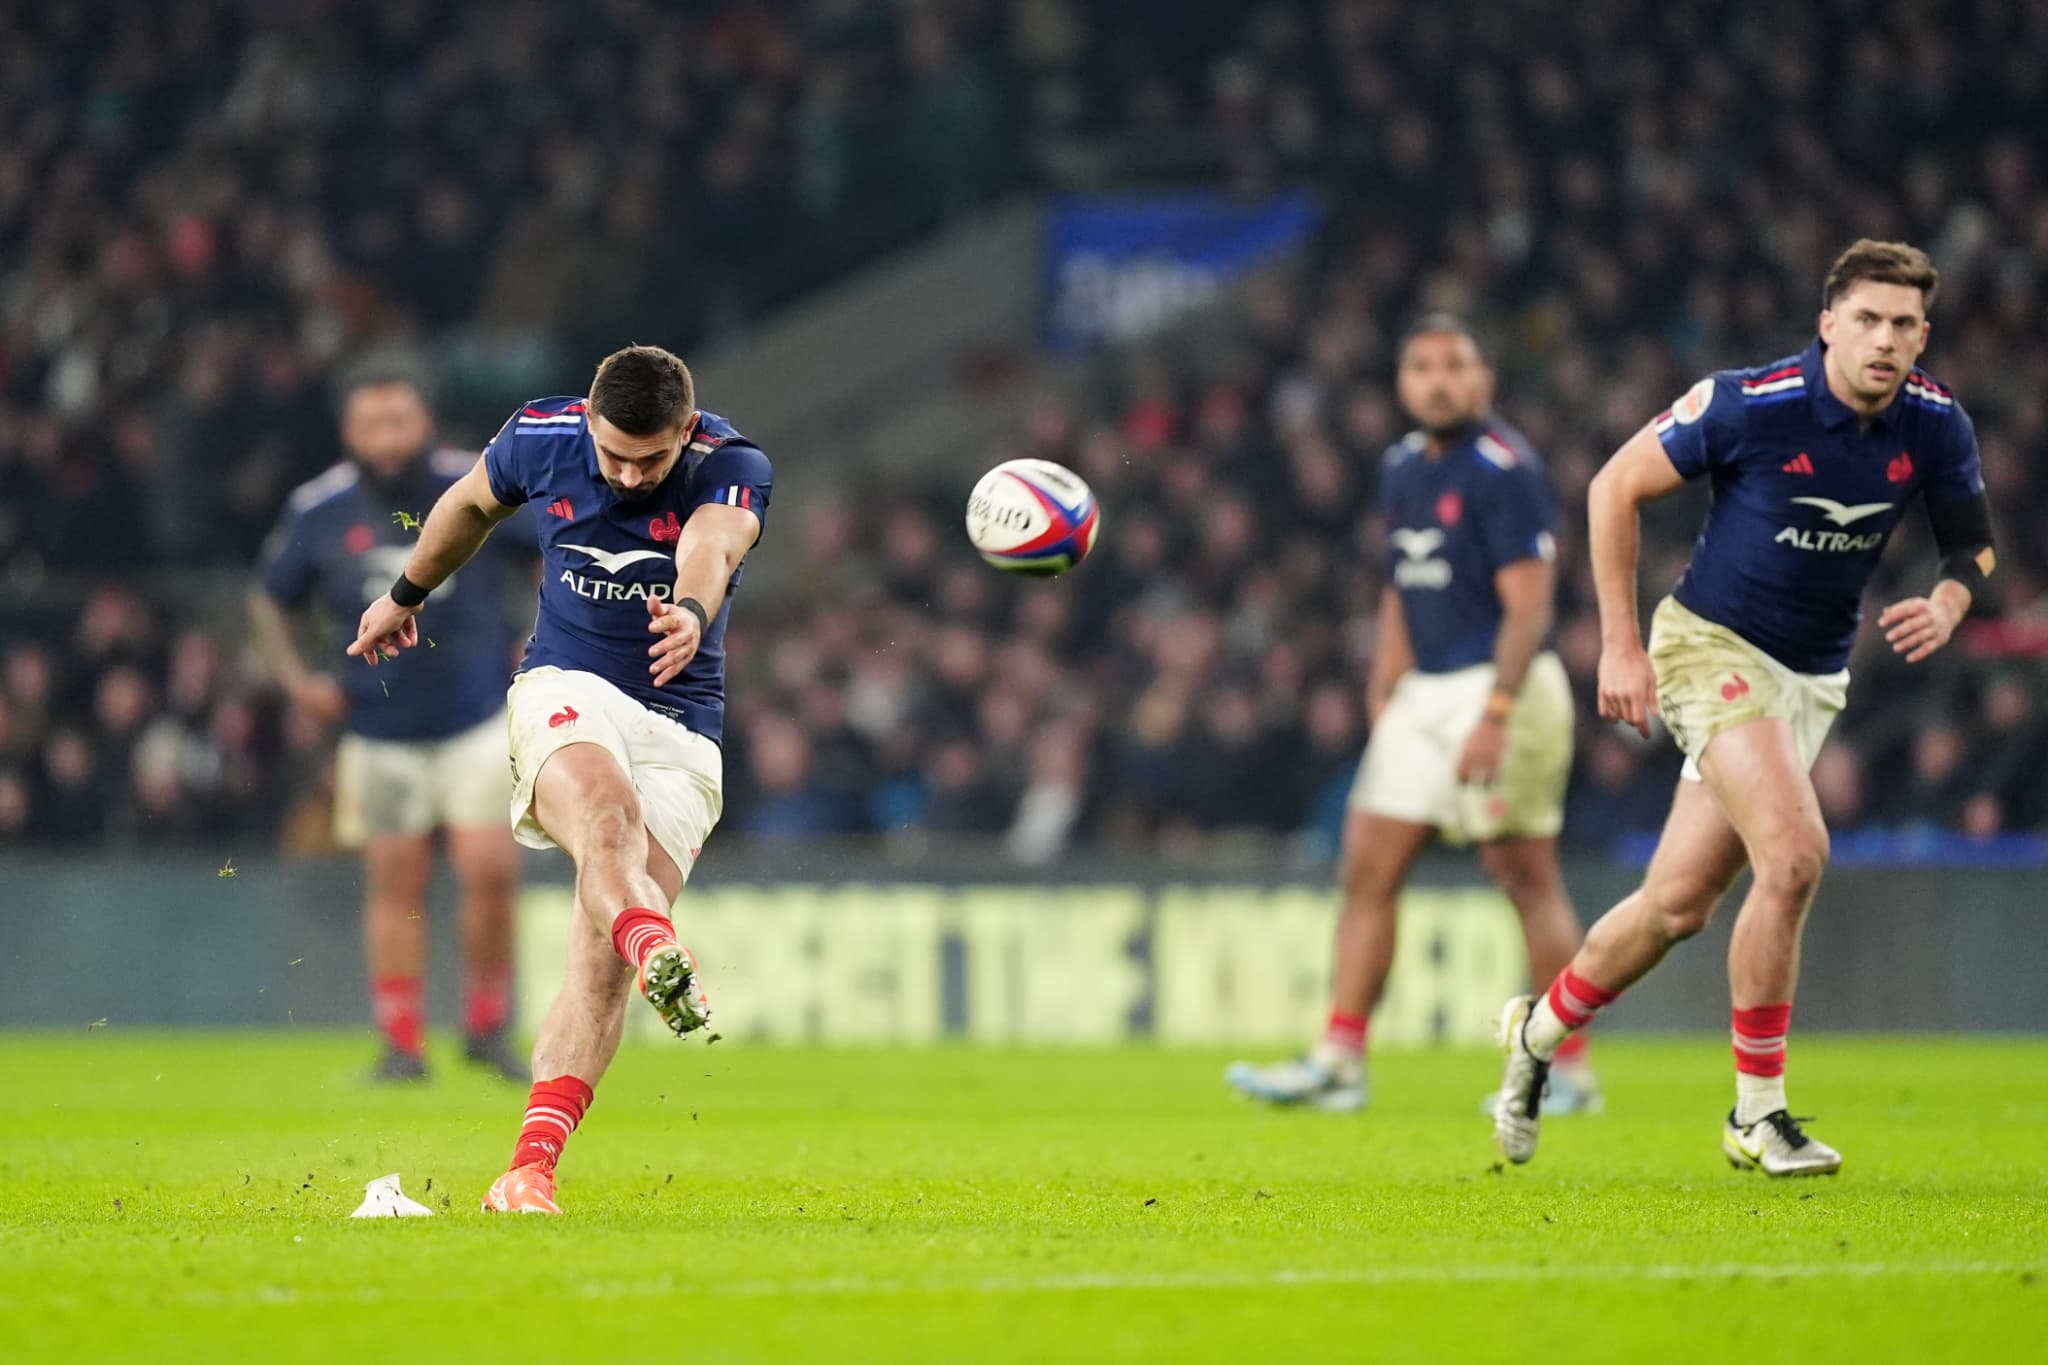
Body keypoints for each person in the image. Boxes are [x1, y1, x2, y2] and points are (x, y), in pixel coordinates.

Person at [1491, 240, 1994, 1176]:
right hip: (1710, 648)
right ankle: (1757, 1112)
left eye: (1903, 325)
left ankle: (1535, 1032)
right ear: (1828, 324)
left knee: (1676, 905)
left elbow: (1974, 549)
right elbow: (1613, 487)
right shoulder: (1749, 403)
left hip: (1810, 680)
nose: (1884, 341)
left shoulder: (1935, 424)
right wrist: (1620, 642)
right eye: (1867, 320)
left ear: (1923, 336)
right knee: (1797, 853)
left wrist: (1951, 600)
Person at [347, 345, 771, 1215]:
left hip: (682, 728)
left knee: (598, 961)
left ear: (683, 433)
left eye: (649, 459)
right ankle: (656, 938)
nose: (625, 473)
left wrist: (691, 613)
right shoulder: (541, 435)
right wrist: (406, 590)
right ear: (587, 417)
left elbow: (713, 543)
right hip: (566, 688)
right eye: (612, 452)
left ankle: (527, 1170)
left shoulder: (730, 464)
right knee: (606, 823)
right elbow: (467, 504)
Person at [1226, 317, 1593, 1113]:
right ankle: (1339, 1059)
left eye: (1454, 366)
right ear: (1401, 383)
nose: (1437, 381)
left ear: (1484, 379)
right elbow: (1402, 583)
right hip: (1423, 692)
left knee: (1524, 877)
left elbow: (1528, 608)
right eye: (1421, 366)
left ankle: (1569, 1070)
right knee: (1366, 867)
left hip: (1504, 687)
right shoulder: (1399, 468)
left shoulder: (1506, 470)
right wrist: (1383, 683)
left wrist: (1496, 711)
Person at [252, 374, 529, 1083]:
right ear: (350, 434)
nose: (388, 439)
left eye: (399, 421)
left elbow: (549, 552)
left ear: (424, 421)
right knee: (394, 884)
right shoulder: (318, 508)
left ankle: (486, 1027)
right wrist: (296, 680)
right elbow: (269, 596)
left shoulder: (478, 480)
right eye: (372, 425)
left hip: (476, 714)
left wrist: (540, 636)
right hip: (376, 725)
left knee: (490, 869)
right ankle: (402, 1043)